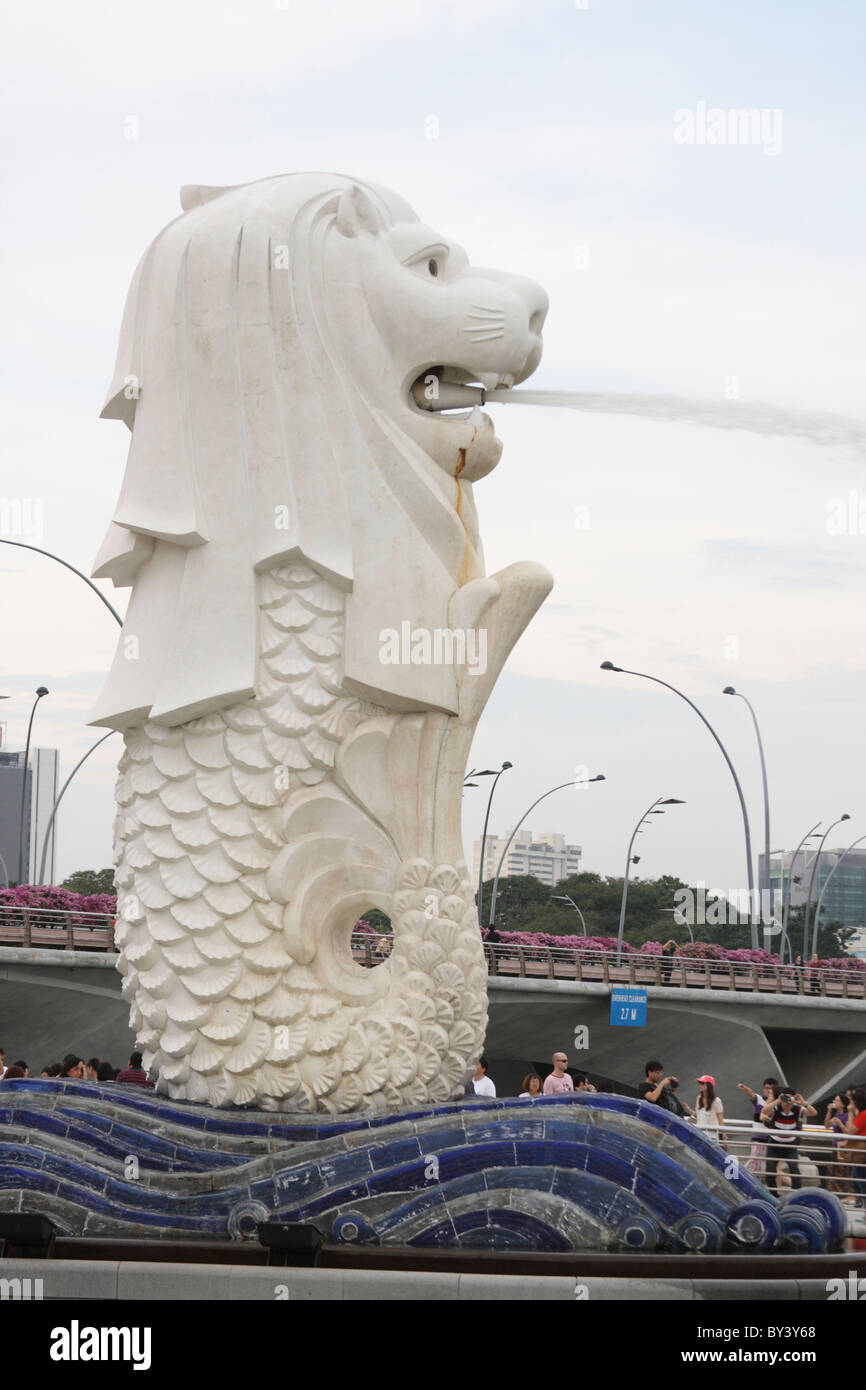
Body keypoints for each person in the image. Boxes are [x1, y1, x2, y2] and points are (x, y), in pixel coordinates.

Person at [760, 1088, 817, 1195]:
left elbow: (814, 1113)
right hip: (774, 1143)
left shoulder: (797, 1109)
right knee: (770, 1170)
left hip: (790, 1145)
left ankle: (797, 1194)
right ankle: (774, 1195)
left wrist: (803, 1103)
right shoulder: (777, 1108)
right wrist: (777, 1101)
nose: (788, 1101)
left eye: (790, 1098)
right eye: (785, 1097)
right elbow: (764, 1111)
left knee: (794, 1169)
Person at [841, 1087, 866, 1206]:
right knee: (857, 1180)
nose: (850, 1104)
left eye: (852, 1101)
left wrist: (850, 1112)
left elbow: (850, 1130)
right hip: (859, 1152)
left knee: (861, 1181)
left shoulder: (864, 1114)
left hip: (861, 1153)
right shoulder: (862, 1113)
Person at [695, 1074, 728, 1149]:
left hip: (711, 1135)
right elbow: (697, 1116)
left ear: (709, 1085)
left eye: (702, 1083)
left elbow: (720, 1121)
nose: (700, 1085)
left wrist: (724, 1138)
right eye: (699, 1083)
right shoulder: (698, 1098)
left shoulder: (716, 1101)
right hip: (699, 1133)